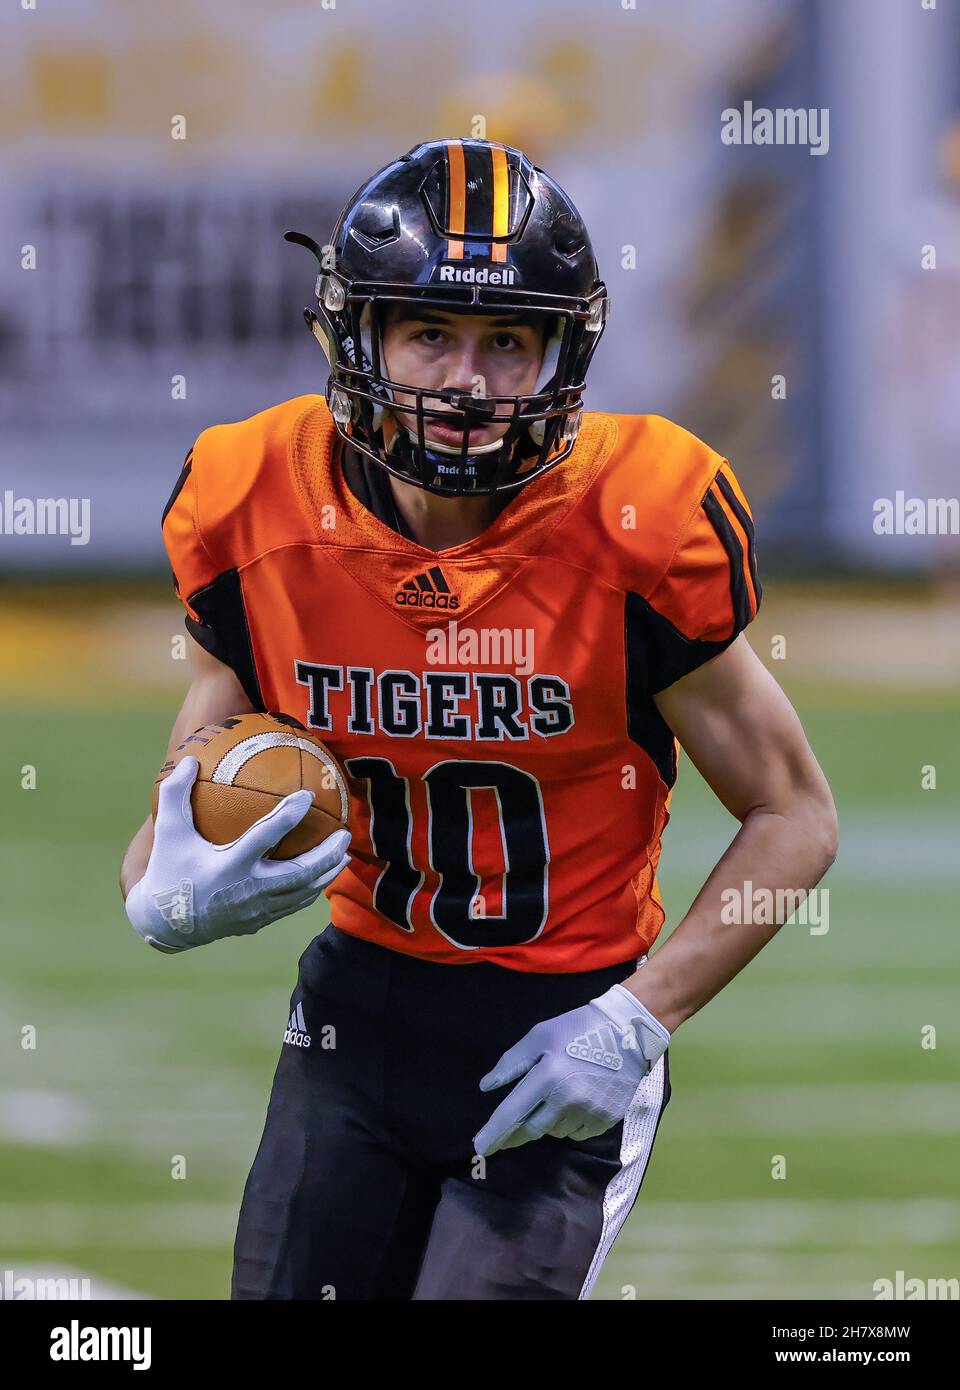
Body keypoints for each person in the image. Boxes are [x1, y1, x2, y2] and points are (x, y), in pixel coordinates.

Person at [119, 139, 838, 1301]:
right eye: (430, 335)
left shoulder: (638, 516)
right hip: (353, 1019)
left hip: (560, 1023)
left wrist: (636, 1021)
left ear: (565, 349)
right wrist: (159, 891)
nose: (468, 382)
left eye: (509, 342)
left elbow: (794, 813)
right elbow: (192, 776)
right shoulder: (253, 497)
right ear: (361, 340)